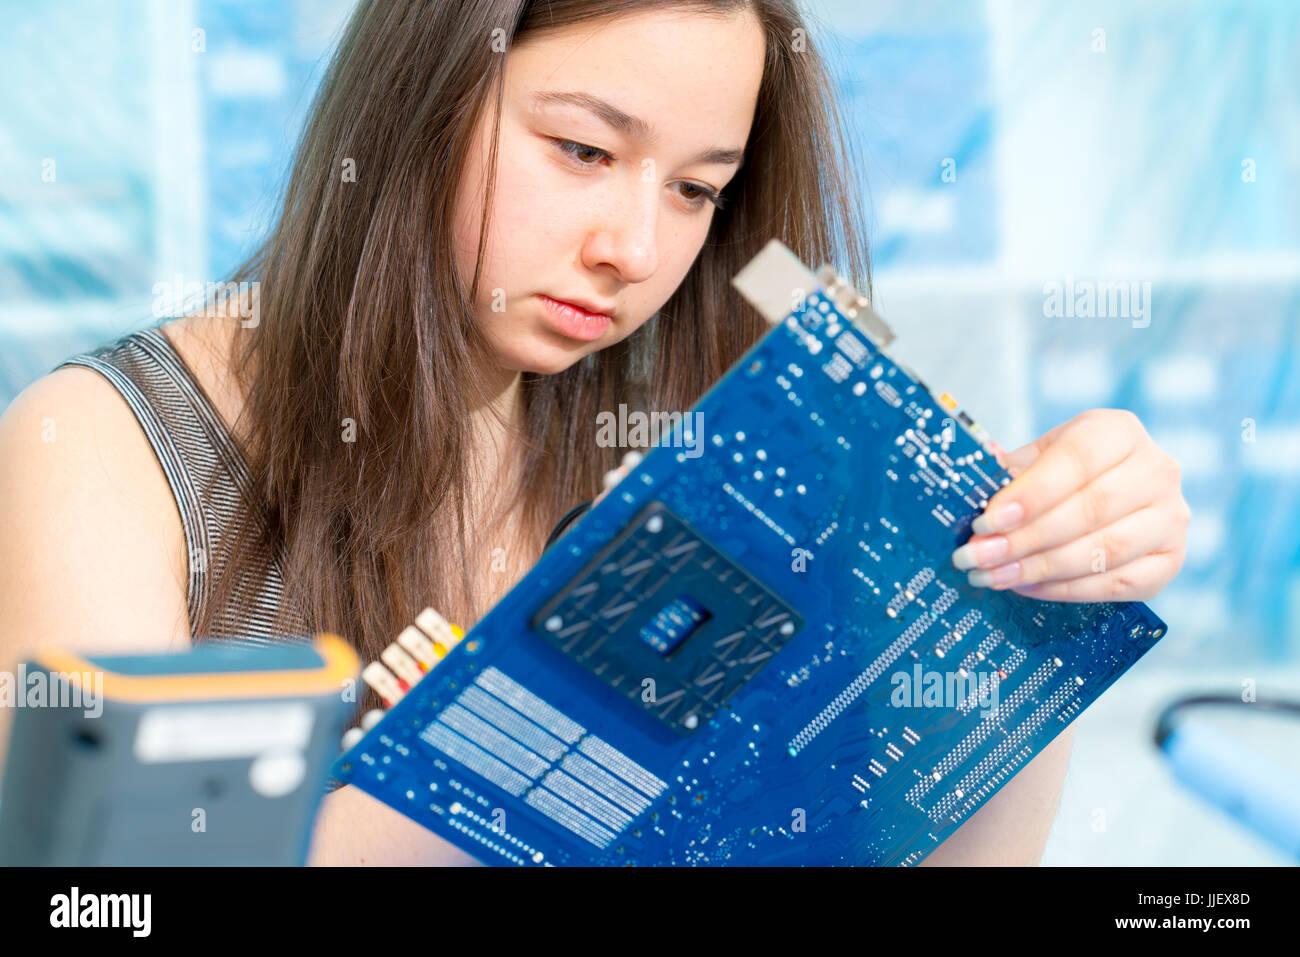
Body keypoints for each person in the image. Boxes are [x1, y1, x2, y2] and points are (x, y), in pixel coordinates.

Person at [0, 0, 1189, 866]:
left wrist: (1024, 596)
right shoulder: (109, 450)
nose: (635, 249)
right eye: (581, 149)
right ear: (418, 98)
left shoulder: (708, 459)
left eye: (694, 189)